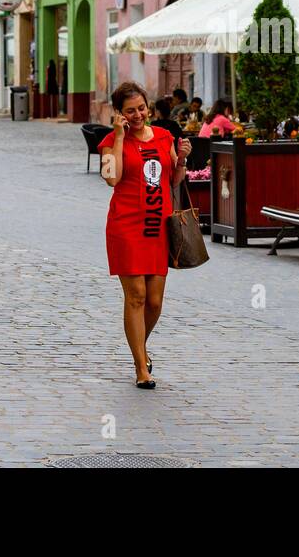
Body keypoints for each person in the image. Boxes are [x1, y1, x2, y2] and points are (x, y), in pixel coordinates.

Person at [98, 81, 192, 389]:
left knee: (154, 301)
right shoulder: (112, 141)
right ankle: (141, 367)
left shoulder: (164, 136)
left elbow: (174, 180)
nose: (137, 114)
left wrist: (183, 160)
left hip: (158, 226)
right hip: (126, 225)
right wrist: (120, 137)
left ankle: (140, 347)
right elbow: (111, 179)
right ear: (119, 114)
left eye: (141, 108)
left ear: (147, 107)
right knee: (135, 295)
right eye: (130, 111)